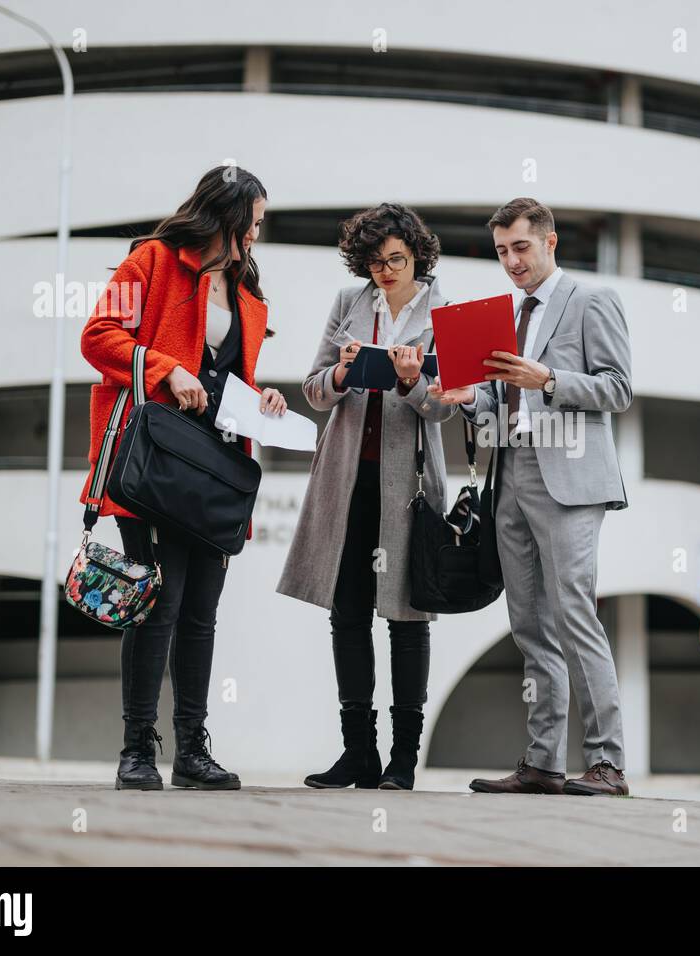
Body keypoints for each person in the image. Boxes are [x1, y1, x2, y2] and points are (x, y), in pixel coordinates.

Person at [79, 165, 287, 791]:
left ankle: (192, 752)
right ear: (226, 214)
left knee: (201, 613)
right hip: (154, 466)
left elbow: (229, 381)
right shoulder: (151, 261)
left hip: (215, 471)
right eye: (252, 220)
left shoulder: (249, 295)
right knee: (157, 606)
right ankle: (137, 749)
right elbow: (96, 336)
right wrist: (166, 369)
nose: (257, 232)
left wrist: (263, 400)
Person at [431, 197, 634, 796]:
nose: (511, 261)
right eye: (501, 252)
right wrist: (468, 398)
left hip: (571, 478)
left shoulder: (592, 301)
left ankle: (607, 763)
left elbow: (618, 389)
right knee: (529, 625)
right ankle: (543, 762)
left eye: (520, 247)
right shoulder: (508, 316)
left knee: (575, 616)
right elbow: (503, 403)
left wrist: (545, 378)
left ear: (551, 242)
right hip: (511, 475)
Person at [276, 203, 454, 791]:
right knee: (347, 611)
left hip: (410, 481)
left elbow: (449, 404)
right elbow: (313, 392)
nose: (385, 271)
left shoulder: (445, 310)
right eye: (375, 262)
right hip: (347, 478)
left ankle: (404, 760)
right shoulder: (348, 305)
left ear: (417, 256)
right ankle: (359, 753)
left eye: (396, 260)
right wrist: (343, 375)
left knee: (407, 614)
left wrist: (411, 383)